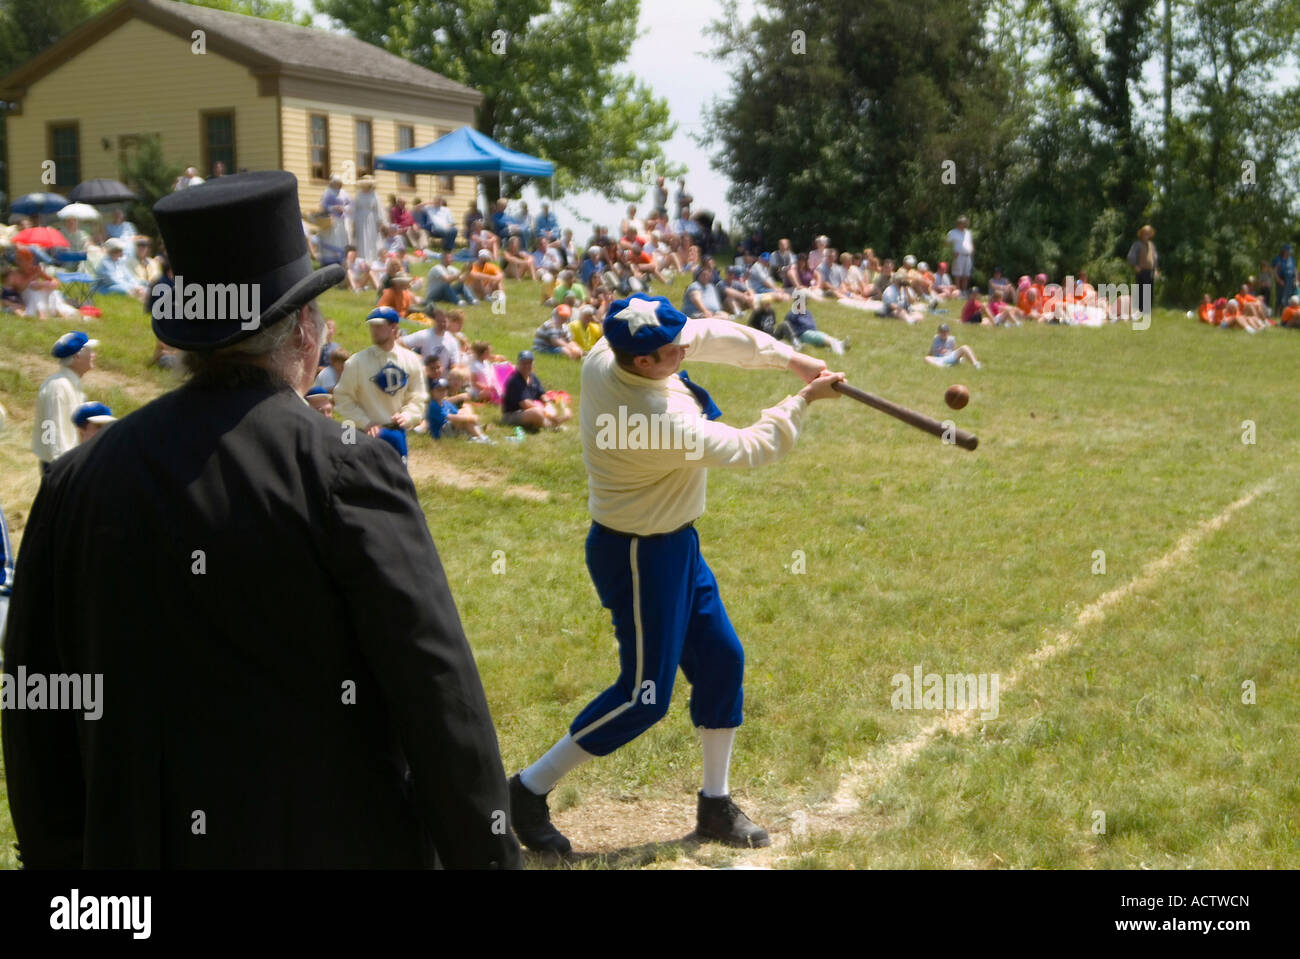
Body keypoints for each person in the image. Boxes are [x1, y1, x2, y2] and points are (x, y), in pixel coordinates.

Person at [2, 170, 520, 869]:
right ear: (305, 329)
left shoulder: (75, 483)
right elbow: (437, 693)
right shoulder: (344, 469)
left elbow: (37, 713)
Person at [507, 293, 845, 856]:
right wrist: (804, 397)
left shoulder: (606, 354)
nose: (685, 350)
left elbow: (709, 334)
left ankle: (714, 805)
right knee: (644, 696)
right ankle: (525, 789)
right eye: (671, 350)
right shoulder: (655, 421)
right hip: (638, 554)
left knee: (721, 660)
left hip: (674, 540)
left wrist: (791, 357)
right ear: (641, 363)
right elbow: (750, 446)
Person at [333, 306, 429, 465]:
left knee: (398, 483)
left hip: (396, 433)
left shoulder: (411, 360)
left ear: (394, 327)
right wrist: (365, 422)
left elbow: (418, 396)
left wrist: (407, 415)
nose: (374, 330)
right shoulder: (357, 362)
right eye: (372, 326)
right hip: (364, 434)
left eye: (379, 326)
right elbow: (342, 397)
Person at [31, 331, 97, 474]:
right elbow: (53, 433)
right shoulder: (59, 387)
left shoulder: (70, 384)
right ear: (77, 356)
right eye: (90, 351)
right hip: (60, 466)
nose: (94, 355)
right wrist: (63, 468)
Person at [502, 351, 567, 430]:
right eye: (523, 363)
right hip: (511, 415)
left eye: (529, 363)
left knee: (548, 409)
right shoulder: (514, 380)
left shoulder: (532, 377)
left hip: (526, 411)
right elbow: (525, 404)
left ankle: (551, 422)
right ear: (518, 364)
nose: (526, 366)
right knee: (537, 413)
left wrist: (547, 404)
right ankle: (553, 425)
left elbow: (541, 393)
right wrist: (546, 413)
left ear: (533, 364)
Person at [775, 307, 849, 355]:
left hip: (812, 332)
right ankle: (838, 348)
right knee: (821, 337)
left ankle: (840, 343)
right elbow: (788, 328)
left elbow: (812, 324)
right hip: (803, 334)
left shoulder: (807, 312)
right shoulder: (791, 314)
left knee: (822, 336)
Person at [1126, 224, 1158, 315]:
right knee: (1142, 289)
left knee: (1150, 289)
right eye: (1145, 234)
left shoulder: (1151, 245)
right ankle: (1140, 309)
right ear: (1142, 235)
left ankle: (1148, 309)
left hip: (1150, 270)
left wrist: (1155, 269)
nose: (1146, 236)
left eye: (1148, 234)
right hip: (1141, 270)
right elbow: (1131, 256)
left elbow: (1154, 257)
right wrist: (1135, 266)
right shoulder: (1137, 244)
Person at [945, 215, 974, 292]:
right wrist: (952, 252)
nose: (964, 225)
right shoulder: (952, 232)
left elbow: (969, 243)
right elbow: (947, 244)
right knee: (957, 275)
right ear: (958, 224)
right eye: (962, 223)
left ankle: (964, 291)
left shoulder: (968, 233)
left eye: (965, 223)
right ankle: (957, 292)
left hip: (967, 256)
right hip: (958, 255)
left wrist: (971, 251)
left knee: (966, 275)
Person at [1270, 244, 1296, 313]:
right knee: (1280, 297)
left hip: (1290, 281)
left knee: (1289, 297)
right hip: (1282, 281)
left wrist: (1296, 280)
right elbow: (1274, 271)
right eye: (1288, 251)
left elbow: (1295, 270)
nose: (1290, 253)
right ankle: (1277, 312)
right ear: (1284, 251)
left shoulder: (1291, 260)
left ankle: (1287, 312)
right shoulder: (1278, 259)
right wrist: (1279, 280)